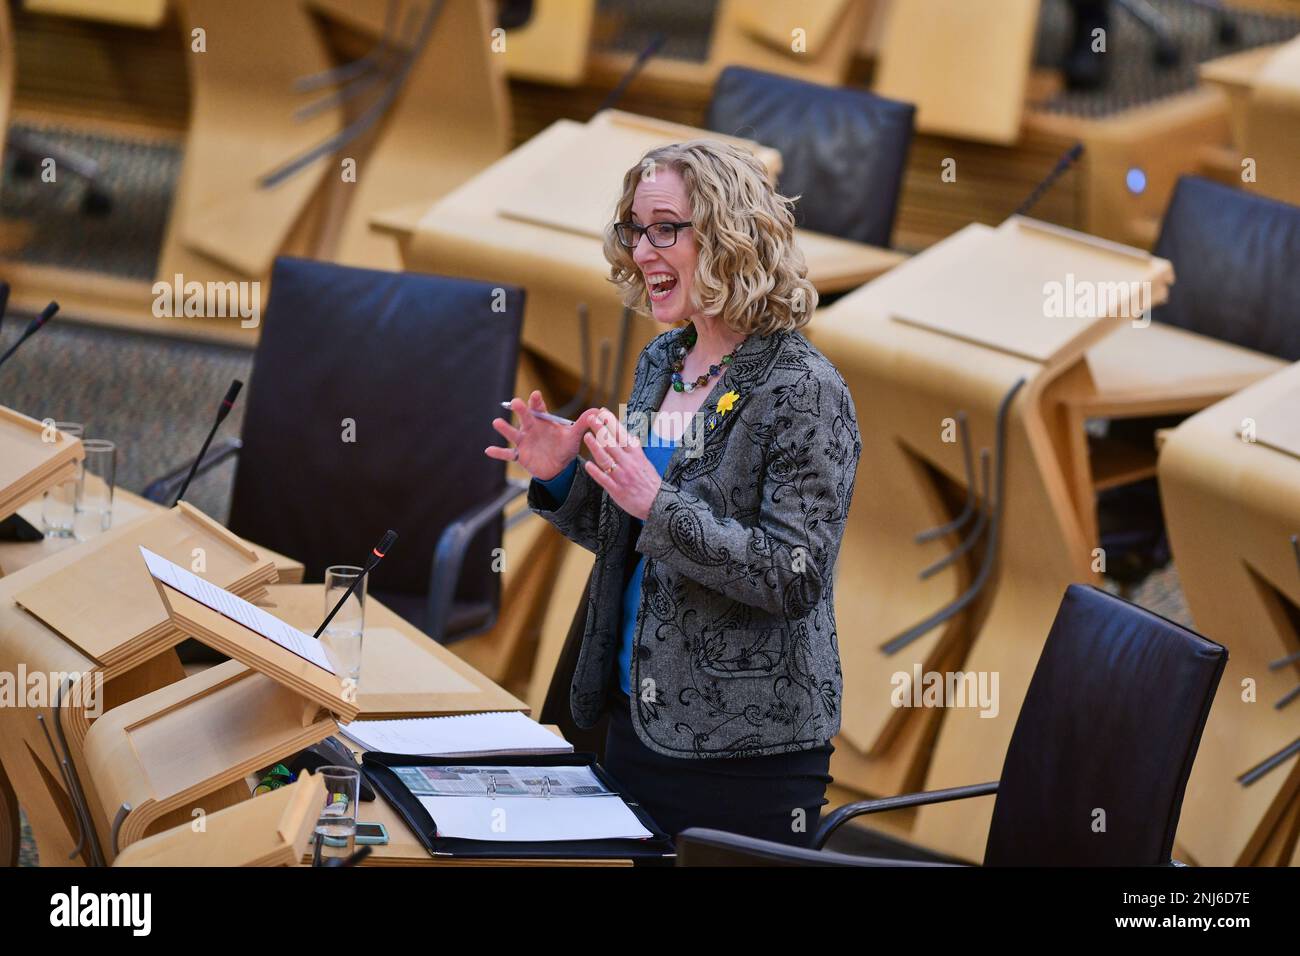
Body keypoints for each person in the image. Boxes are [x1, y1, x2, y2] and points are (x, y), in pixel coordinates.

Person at [485, 140, 862, 846]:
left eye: (665, 229)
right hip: (632, 720)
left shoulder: (805, 390)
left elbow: (794, 576)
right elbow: (632, 533)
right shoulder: (663, 361)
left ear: (728, 235)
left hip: (744, 751)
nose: (641, 251)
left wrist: (655, 501)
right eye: (635, 230)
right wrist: (561, 472)